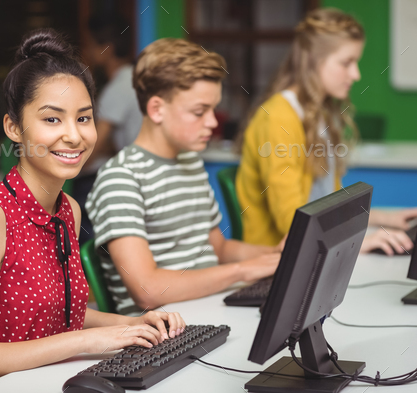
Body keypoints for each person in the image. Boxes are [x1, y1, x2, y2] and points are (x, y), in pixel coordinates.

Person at [0, 29, 185, 392]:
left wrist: (134, 324)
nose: (74, 135)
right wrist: (85, 342)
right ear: (14, 127)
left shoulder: (68, 209)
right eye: (52, 119)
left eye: (84, 118)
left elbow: (57, 313)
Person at [85, 38, 282, 316]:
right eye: (199, 112)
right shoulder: (120, 178)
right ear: (156, 110)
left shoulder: (189, 161)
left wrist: (276, 255)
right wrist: (242, 271)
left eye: (213, 109)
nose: (213, 122)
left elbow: (220, 249)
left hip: (212, 309)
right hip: (167, 336)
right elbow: (147, 290)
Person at [236, 8, 417, 256]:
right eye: (346, 63)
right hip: (279, 265)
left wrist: (383, 218)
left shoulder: (316, 114)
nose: (356, 74)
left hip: (314, 254)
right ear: (313, 60)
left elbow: (329, 205)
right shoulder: (279, 117)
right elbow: (293, 222)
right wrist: (358, 241)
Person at [73, 15, 143, 244]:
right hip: (141, 174)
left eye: (92, 45)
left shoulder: (119, 88)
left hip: (136, 180)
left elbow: (94, 145)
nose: (87, 51)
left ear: (107, 49)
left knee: (75, 195)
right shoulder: (135, 78)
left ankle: (87, 264)